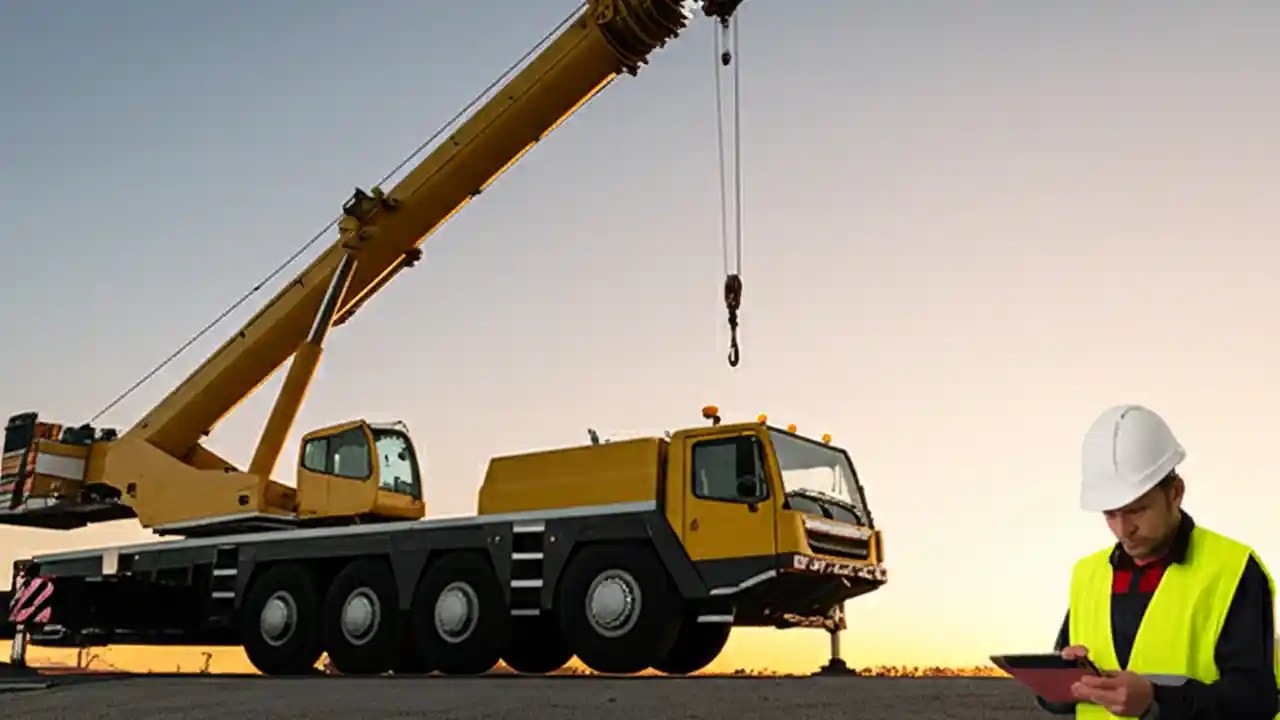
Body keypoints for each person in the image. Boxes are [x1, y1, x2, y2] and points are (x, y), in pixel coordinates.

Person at [1036, 404, 1278, 719]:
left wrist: (1156, 699)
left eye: (1137, 509)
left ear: (1175, 492)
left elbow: (1256, 700)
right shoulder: (1087, 574)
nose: (1124, 529)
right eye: (1110, 513)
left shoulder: (1233, 568)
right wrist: (1067, 685)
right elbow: (1054, 698)